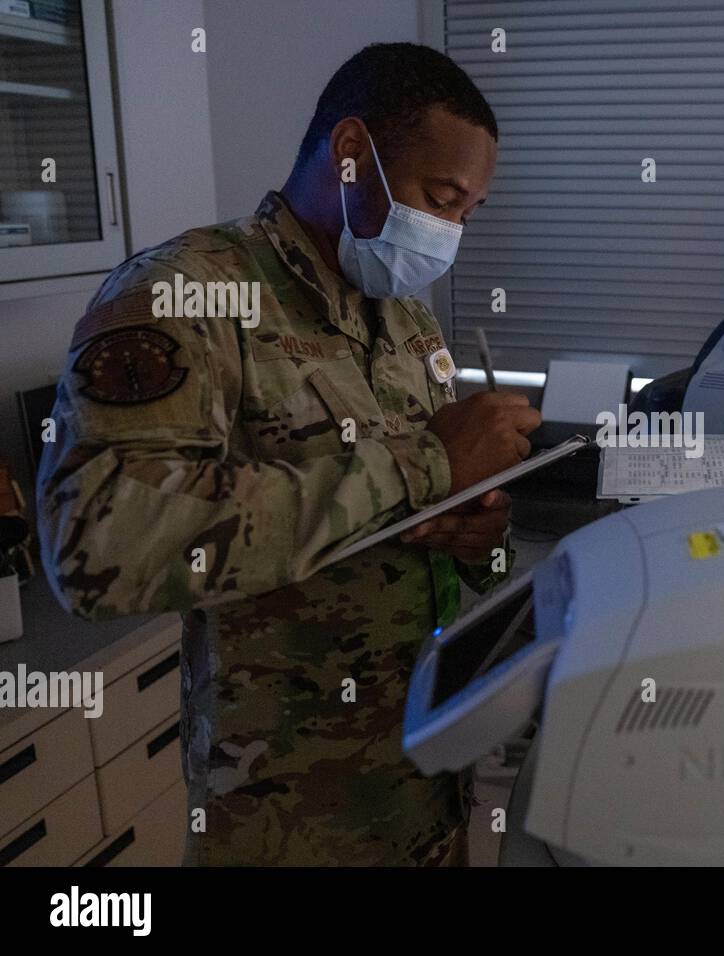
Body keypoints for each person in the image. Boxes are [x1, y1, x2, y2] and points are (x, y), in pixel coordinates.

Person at [37, 43, 540, 865]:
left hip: (424, 787)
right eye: (440, 199)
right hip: (289, 814)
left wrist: (476, 535)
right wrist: (424, 468)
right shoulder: (187, 293)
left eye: (467, 213)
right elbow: (95, 547)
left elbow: (425, 506)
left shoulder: (406, 318)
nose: (448, 231)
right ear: (350, 154)